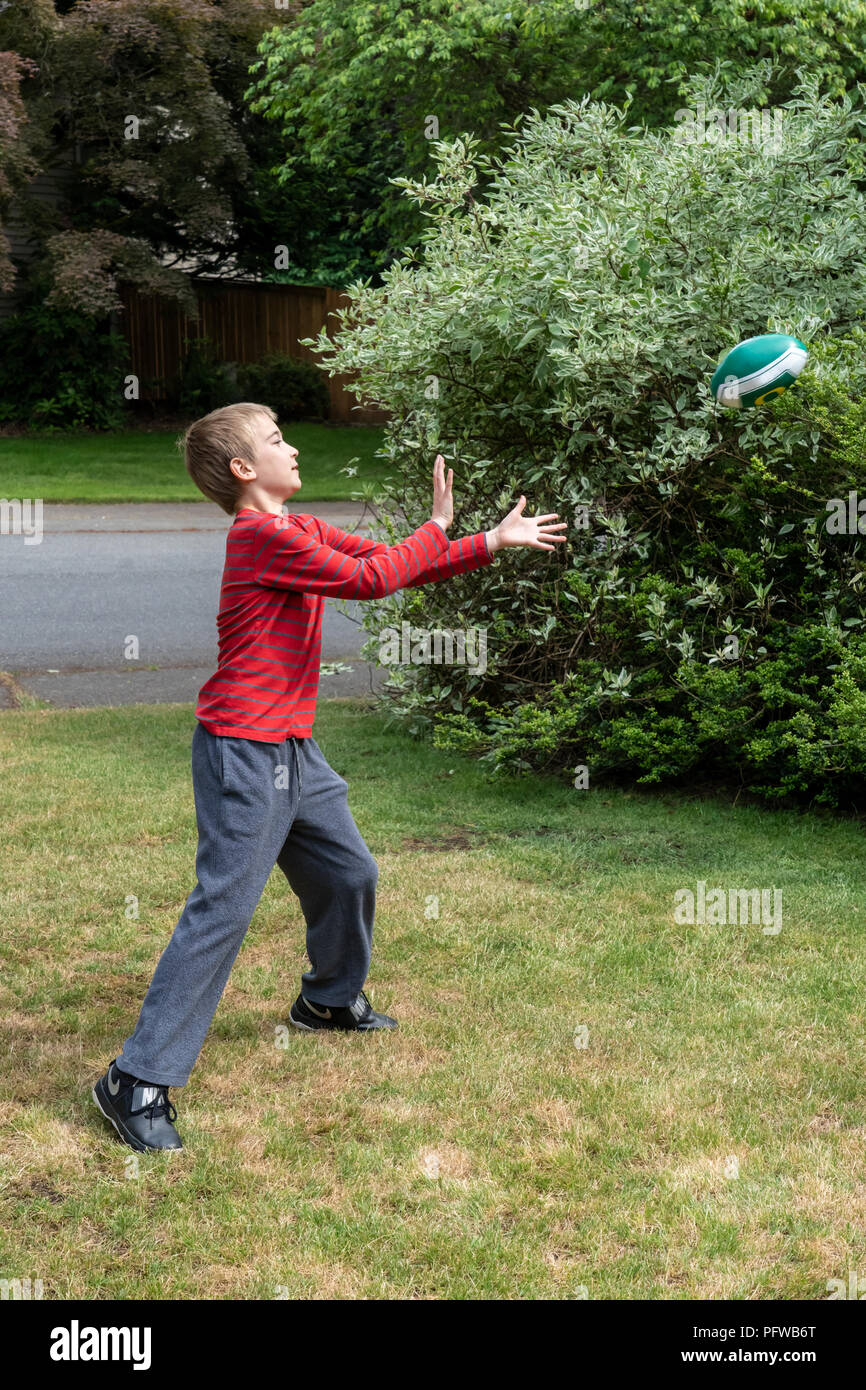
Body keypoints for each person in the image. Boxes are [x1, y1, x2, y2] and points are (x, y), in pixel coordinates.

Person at [92, 402, 567, 1152]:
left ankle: (328, 1002)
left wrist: (484, 541)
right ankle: (136, 1079)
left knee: (348, 873)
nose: (295, 447)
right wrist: (440, 529)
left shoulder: (298, 529)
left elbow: (382, 561)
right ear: (244, 470)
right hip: (243, 751)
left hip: (292, 750)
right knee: (224, 909)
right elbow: (374, 582)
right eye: (278, 440)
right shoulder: (260, 537)